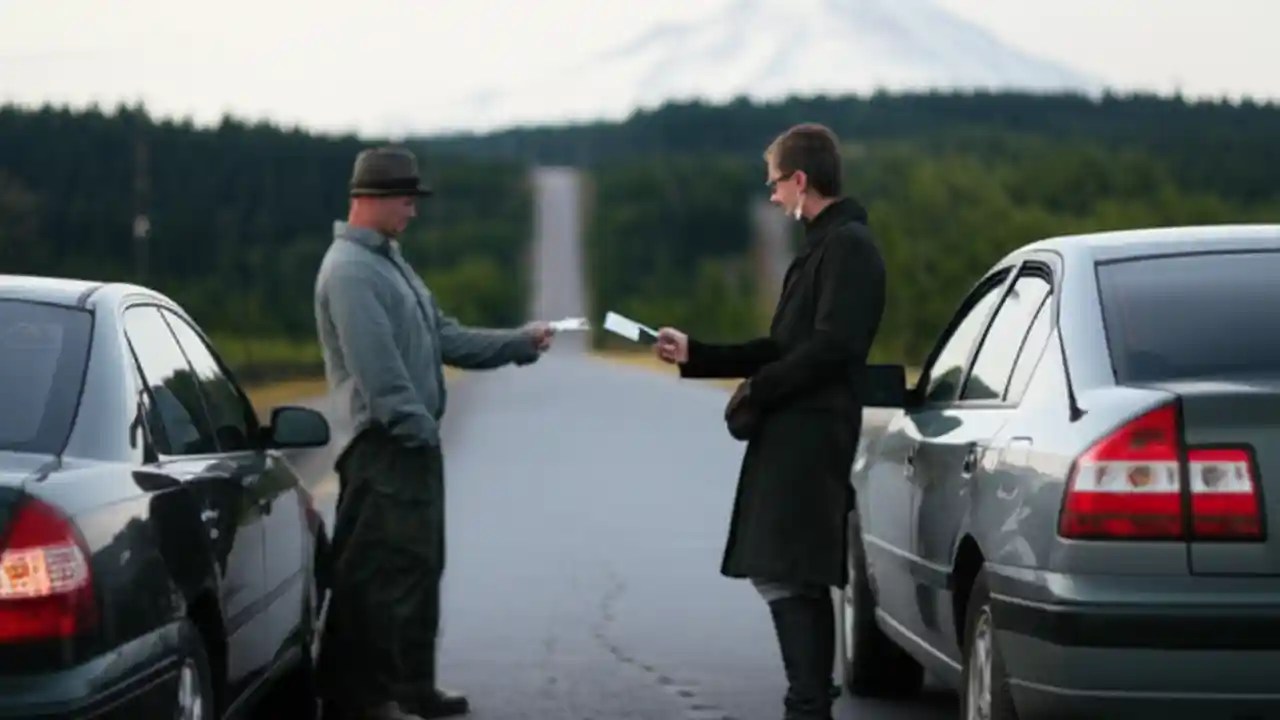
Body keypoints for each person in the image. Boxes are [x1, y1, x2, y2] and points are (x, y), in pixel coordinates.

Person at [653, 123, 885, 720]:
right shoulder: (821, 248)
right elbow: (783, 345)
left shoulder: (849, 246)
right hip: (793, 432)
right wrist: (698, 354)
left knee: (790, 572)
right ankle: (809, 701)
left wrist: (760, 389)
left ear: (801, 180)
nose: (773, 195)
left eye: (776, 183)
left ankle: (807, 704)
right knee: (788, 573)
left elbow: (835, 347)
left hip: (813, 438)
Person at [313, 145, 554, 720]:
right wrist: (417, 429)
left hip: (411, 447)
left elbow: (444, 337)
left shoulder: (390, 262)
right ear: (368, 199)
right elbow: (379, 374)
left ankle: (413, 687)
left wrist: (519, 342)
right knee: (377, 577)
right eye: (405, 199)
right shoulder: (350, 271)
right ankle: (361, 697)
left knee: (419, 570)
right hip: (385, 449)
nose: (412, 210)